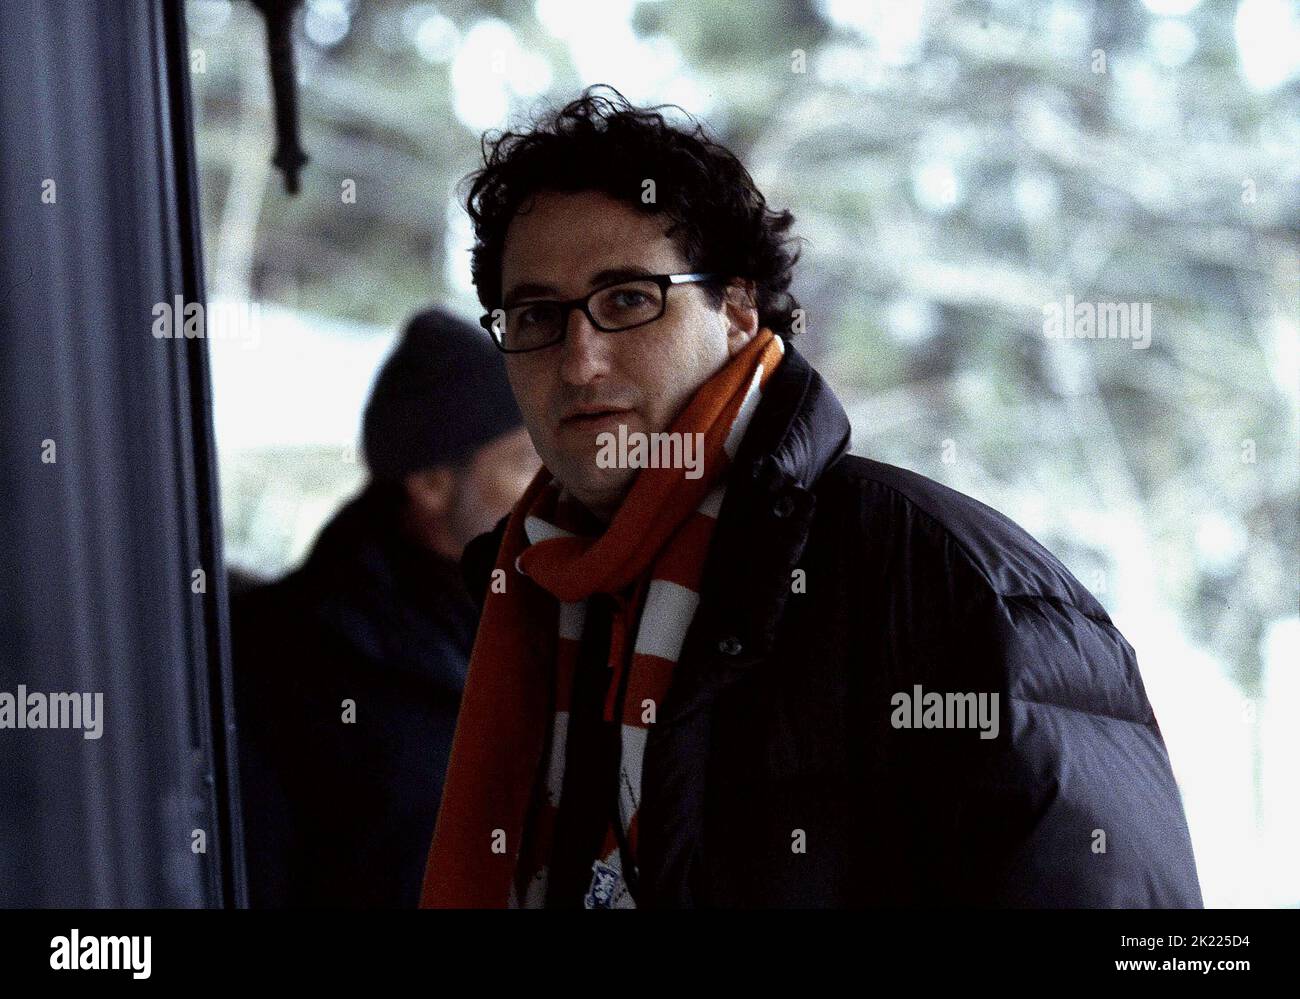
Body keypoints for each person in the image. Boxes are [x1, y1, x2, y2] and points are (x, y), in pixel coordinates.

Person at [418, 87, 1203, 909]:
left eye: (627, 300)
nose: (580, 362)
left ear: (736, 307)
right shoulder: (535, 597)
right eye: (537, 315)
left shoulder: (939, 579)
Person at [232, 307, 538, 907]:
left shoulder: (543, 619)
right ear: (431, 485)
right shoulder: (288, 659)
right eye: (527, 462)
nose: (556, 485)